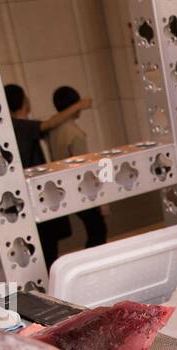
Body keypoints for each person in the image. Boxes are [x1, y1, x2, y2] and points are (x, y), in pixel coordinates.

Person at [5, 83, 90, 267]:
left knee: (43, 245)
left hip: (22, 194)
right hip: (34, 193)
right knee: (47, 246)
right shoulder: (21, 126)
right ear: (23, 101)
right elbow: (49, 123)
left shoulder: (10, 128)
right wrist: (79, 105)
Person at [48, 85, 108, 249]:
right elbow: (84, 168)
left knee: (94, 229)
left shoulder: (53, 129)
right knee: (97, 230)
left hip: (62, 184)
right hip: (80, 187)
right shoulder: (75, 134)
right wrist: (100, 198)